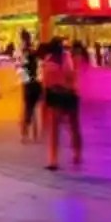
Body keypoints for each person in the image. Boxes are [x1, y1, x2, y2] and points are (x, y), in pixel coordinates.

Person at [42, 37, 83, 170]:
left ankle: (73, 154)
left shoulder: (62, 59)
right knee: (67, 127)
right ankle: (56, 159)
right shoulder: (60, 59)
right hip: (62, 95)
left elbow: (47, 81)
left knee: (71, 127)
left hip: (65, 94)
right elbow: (47, 81)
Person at [18, 31, 42, 143]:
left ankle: (25, 133)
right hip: (35, 83)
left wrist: (23, 82)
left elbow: (23, 70)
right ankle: (34, 134)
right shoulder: (33, 52)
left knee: (28, 108)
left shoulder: (25, 53)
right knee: (33, 109)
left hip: (29, 83)